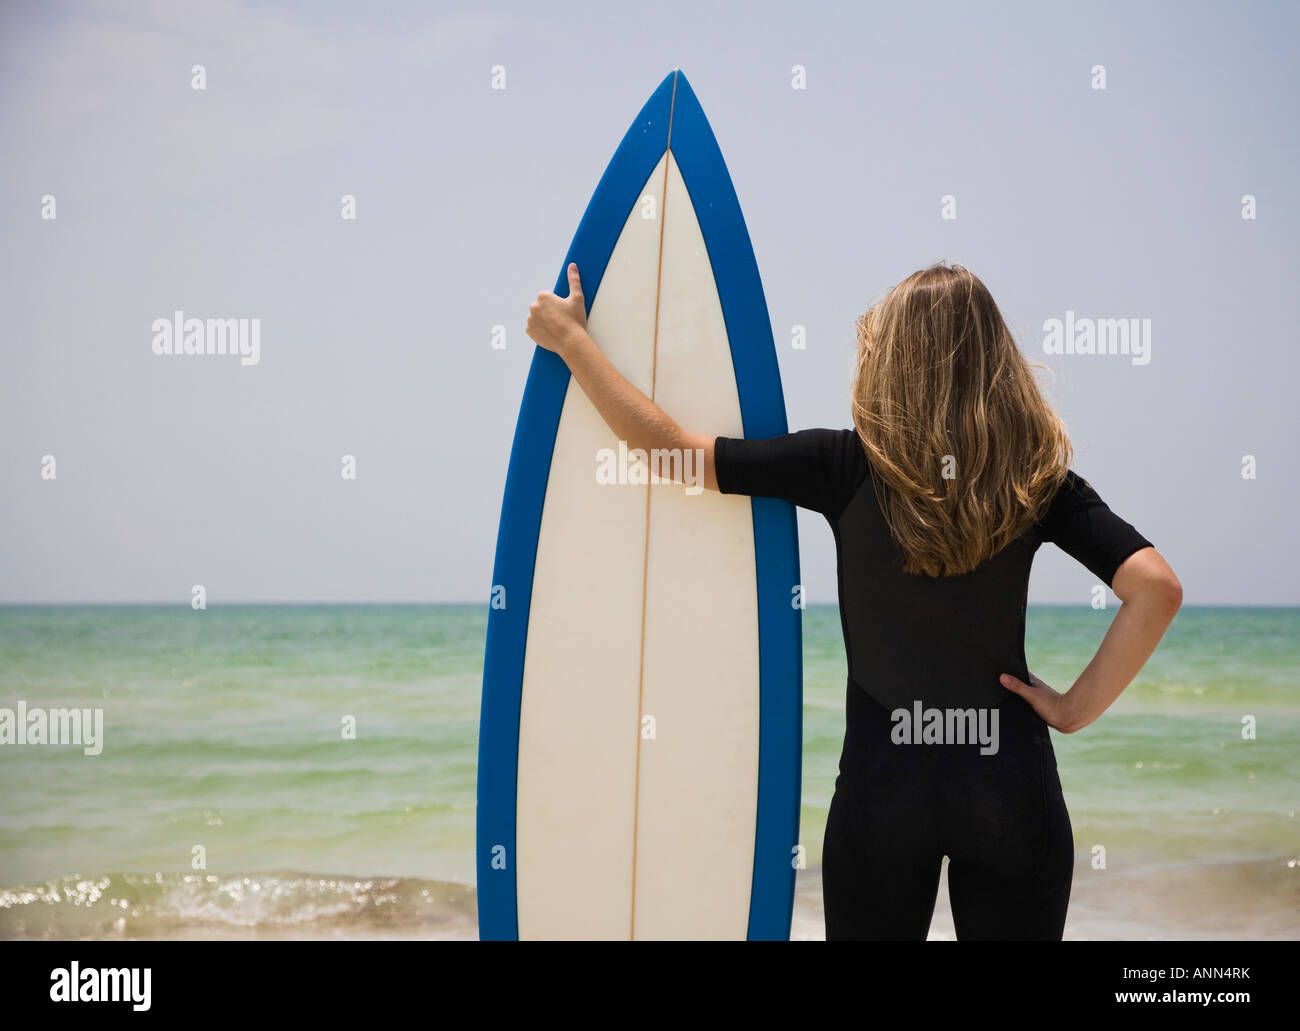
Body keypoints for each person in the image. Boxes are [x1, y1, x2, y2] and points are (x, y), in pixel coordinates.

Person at [524, 260, 1182, 941]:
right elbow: (1156, 588)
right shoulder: (1038, 482)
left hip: (883, 794)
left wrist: (574, 343)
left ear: (892, 362)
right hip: (1009, 789)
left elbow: (671, 454)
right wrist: (1073, 709)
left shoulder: (842, 467)